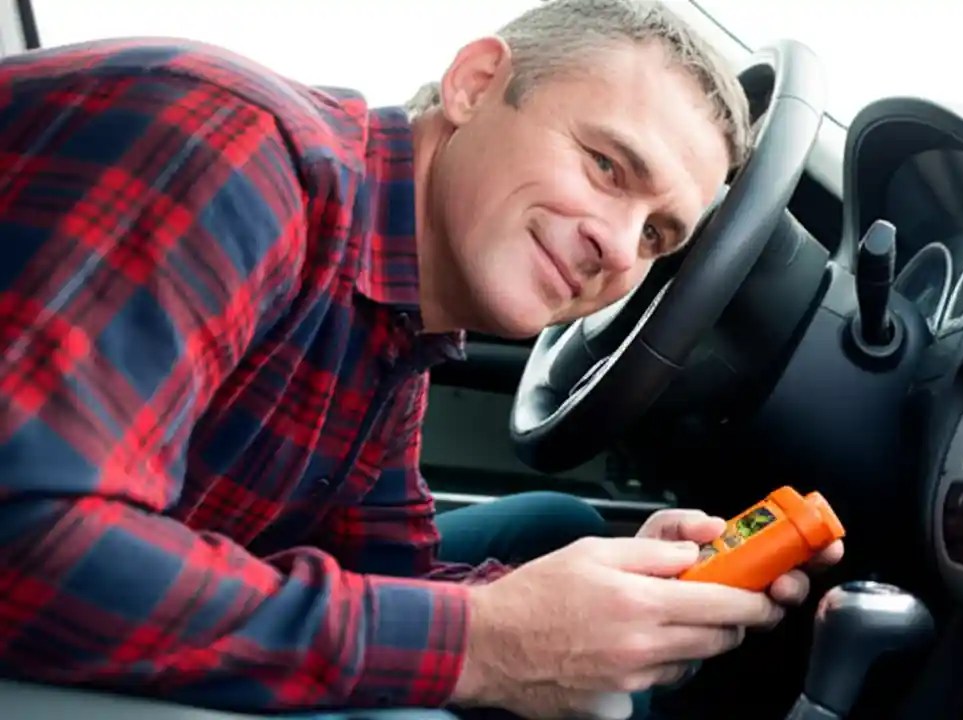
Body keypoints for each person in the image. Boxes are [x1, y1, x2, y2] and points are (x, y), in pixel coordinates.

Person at [0, 1, 842, 719]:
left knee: (561, 530)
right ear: (475, 84)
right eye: (605, 165)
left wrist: (612, 605)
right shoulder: (242, 153)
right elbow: (27, 543)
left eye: (658, 236)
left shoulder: (400, 316)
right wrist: (489, 646)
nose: (618, 249)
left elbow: (387, 572)